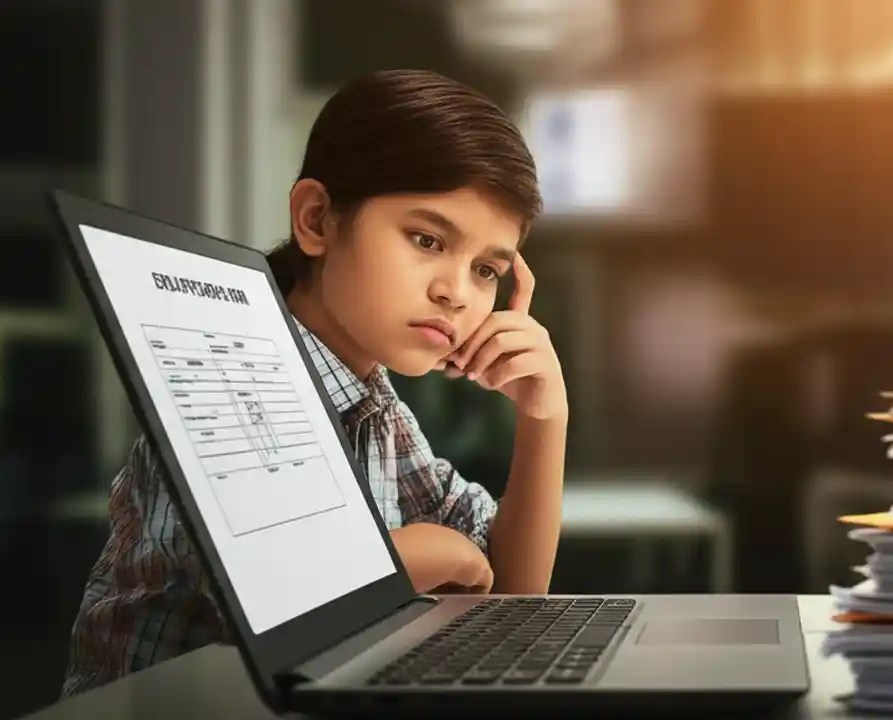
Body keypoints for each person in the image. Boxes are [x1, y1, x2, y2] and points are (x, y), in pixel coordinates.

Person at [61, 69, 566, 696]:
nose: (456, 293)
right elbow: (276, 609)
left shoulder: (376, 404)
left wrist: (545, 418)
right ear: (318, 219)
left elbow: (514, 593)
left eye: (487, 269)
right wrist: (430, 552)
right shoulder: (229, 372)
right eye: (427, 239)